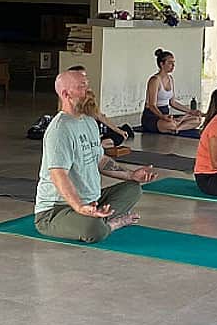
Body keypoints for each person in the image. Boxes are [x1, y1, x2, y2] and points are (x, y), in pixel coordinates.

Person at [36, 69, 158, 242]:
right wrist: (79, 207)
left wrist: (132, 174)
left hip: (92, 201)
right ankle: (114, 224)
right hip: (57, 211)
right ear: (66, 94)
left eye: (88, 86)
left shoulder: (89, 122)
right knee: (94, 230)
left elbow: (100, 160)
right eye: (82, 87)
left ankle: (99, 217)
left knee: (133, 189)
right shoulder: (59, 130)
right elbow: (58, 175)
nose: (89, 92)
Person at [68, 65, 135, 148]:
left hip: (93, 128)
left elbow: (99, 115)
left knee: (119, 134)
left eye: (85, 77)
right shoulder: (68, 96)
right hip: (79, 131)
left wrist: (119, 131)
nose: (85, 80)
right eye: (81, 77)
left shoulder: (89, 95)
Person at [142, 48, 202, 133]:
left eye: (173, 63)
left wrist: (191, 111)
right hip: (153, 116)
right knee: (170, 124)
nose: (173, 66)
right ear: (161, 64)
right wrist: (162, 116)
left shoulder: (170, 79)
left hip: (166, 116)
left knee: (197, 119)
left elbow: (173, 102)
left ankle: (177, 128)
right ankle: (176, 126)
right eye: (170, 63)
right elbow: (152, 105)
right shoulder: (154, 80)